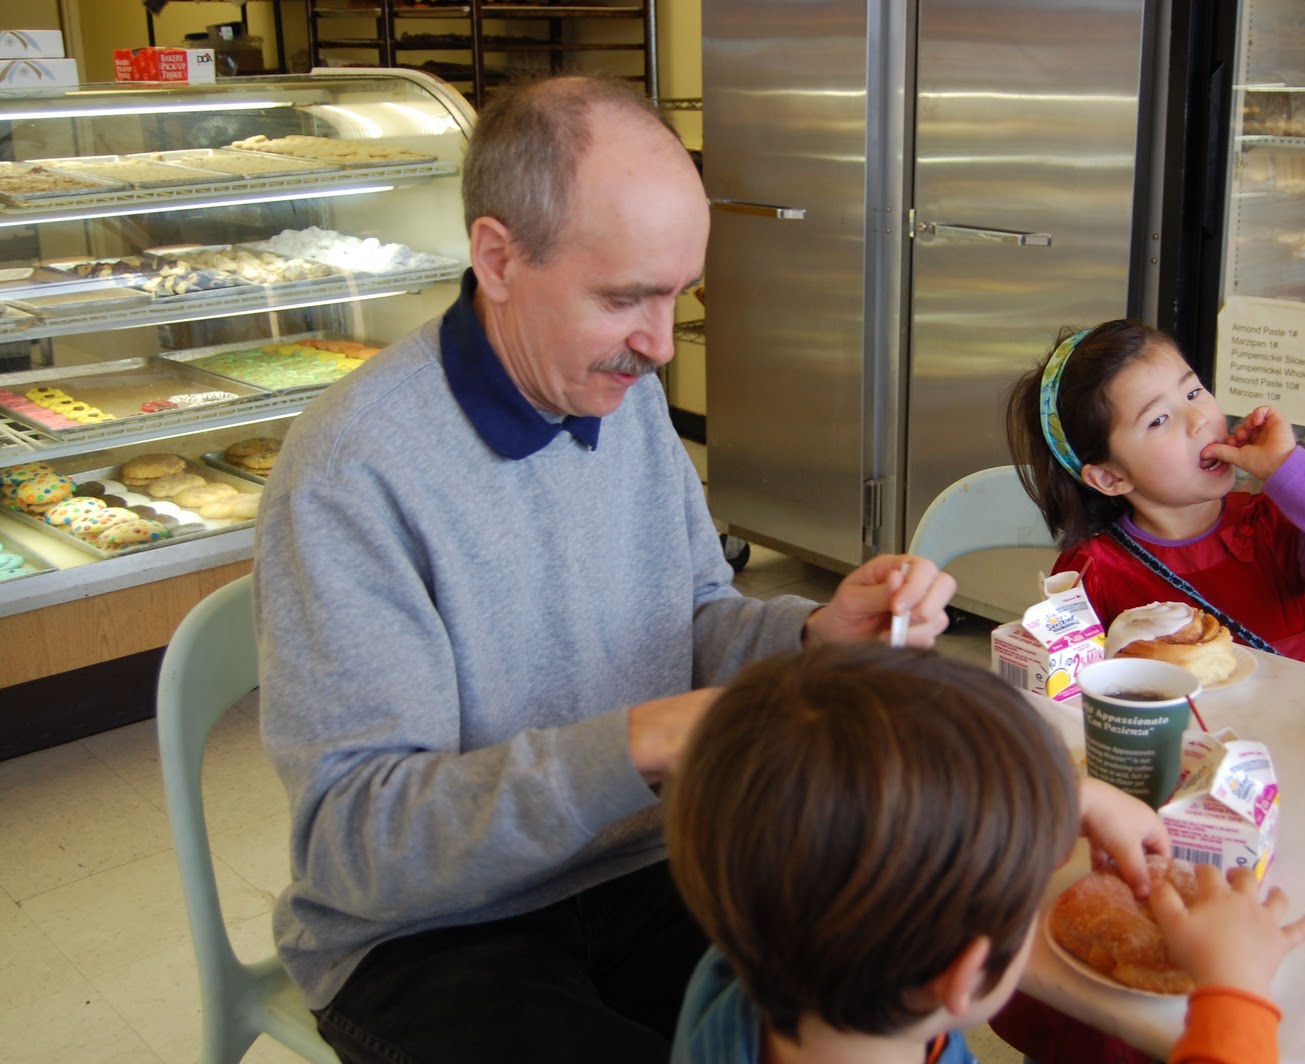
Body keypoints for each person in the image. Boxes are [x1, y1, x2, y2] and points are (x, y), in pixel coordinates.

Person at [252, 74, 955, 1063]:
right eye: (625, 297)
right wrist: (635, 741)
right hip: (434, 931)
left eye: (677, 295)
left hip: (646, 860)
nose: (660, 345)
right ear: (497, 256)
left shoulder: (612, 391)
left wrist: (804, 635)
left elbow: (692, 614)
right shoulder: (350, 472)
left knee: (872, 992)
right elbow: (356, 838)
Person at [665, 643, 1305, 1064]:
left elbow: (831, 809)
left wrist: (1065, 795)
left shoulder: (744, 960)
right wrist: (1235, 986)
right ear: (964, 976)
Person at [1005, 318, 1305, 660]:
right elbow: (1062, 695)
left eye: (1193, 391)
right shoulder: (1091, 573)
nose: (1198, 419)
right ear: (1111, 478)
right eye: (1158, 420)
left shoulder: (1270, 526)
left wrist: (1288, 470)